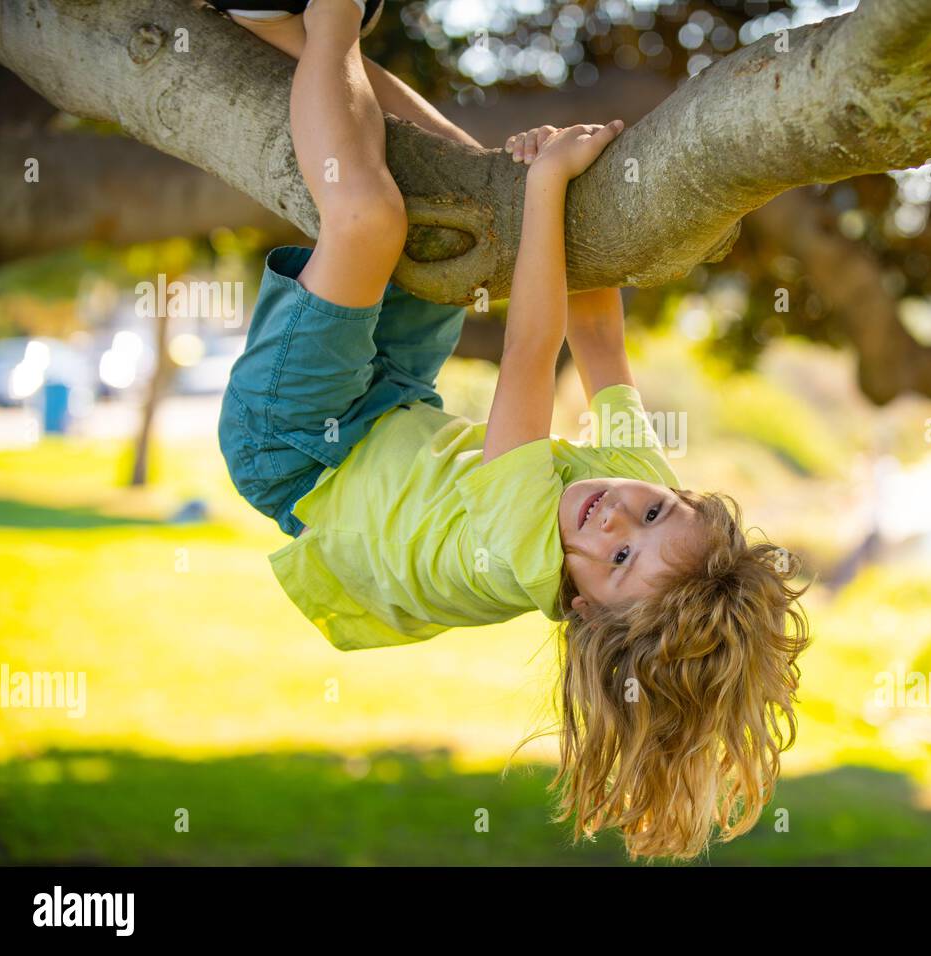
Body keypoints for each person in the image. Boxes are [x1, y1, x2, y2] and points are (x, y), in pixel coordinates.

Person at [214, 0, 810, 859]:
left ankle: (331, 17)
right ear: (683, 499)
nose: (614, 521)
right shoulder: (628, 480)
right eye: (652, 518)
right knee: (464, 191)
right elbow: (598, 333)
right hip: (393, 405)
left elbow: (533, 352)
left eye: (617, 563)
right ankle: (274, 27)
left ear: (585, 611)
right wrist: (572, 190)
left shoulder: (518, 548)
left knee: (371, 221)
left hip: (298, 448)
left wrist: (547, 186)